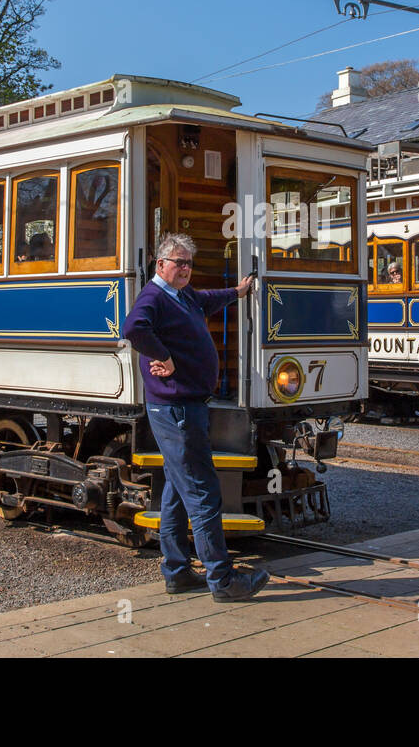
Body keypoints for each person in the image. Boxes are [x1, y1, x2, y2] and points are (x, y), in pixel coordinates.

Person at [124, 233, 268, 602]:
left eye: (189, 263)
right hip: (175, 409)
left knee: (175, 490)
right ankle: (223, 582)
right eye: (178, 262)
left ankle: (176, 571)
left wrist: (236, 292)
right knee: (203, 492)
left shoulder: (182, 295)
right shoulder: (154, 296)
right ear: (160, 265)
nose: (185, 269)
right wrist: (164, 356)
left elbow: (206, 300)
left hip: (187, 407)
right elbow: (133, 329)